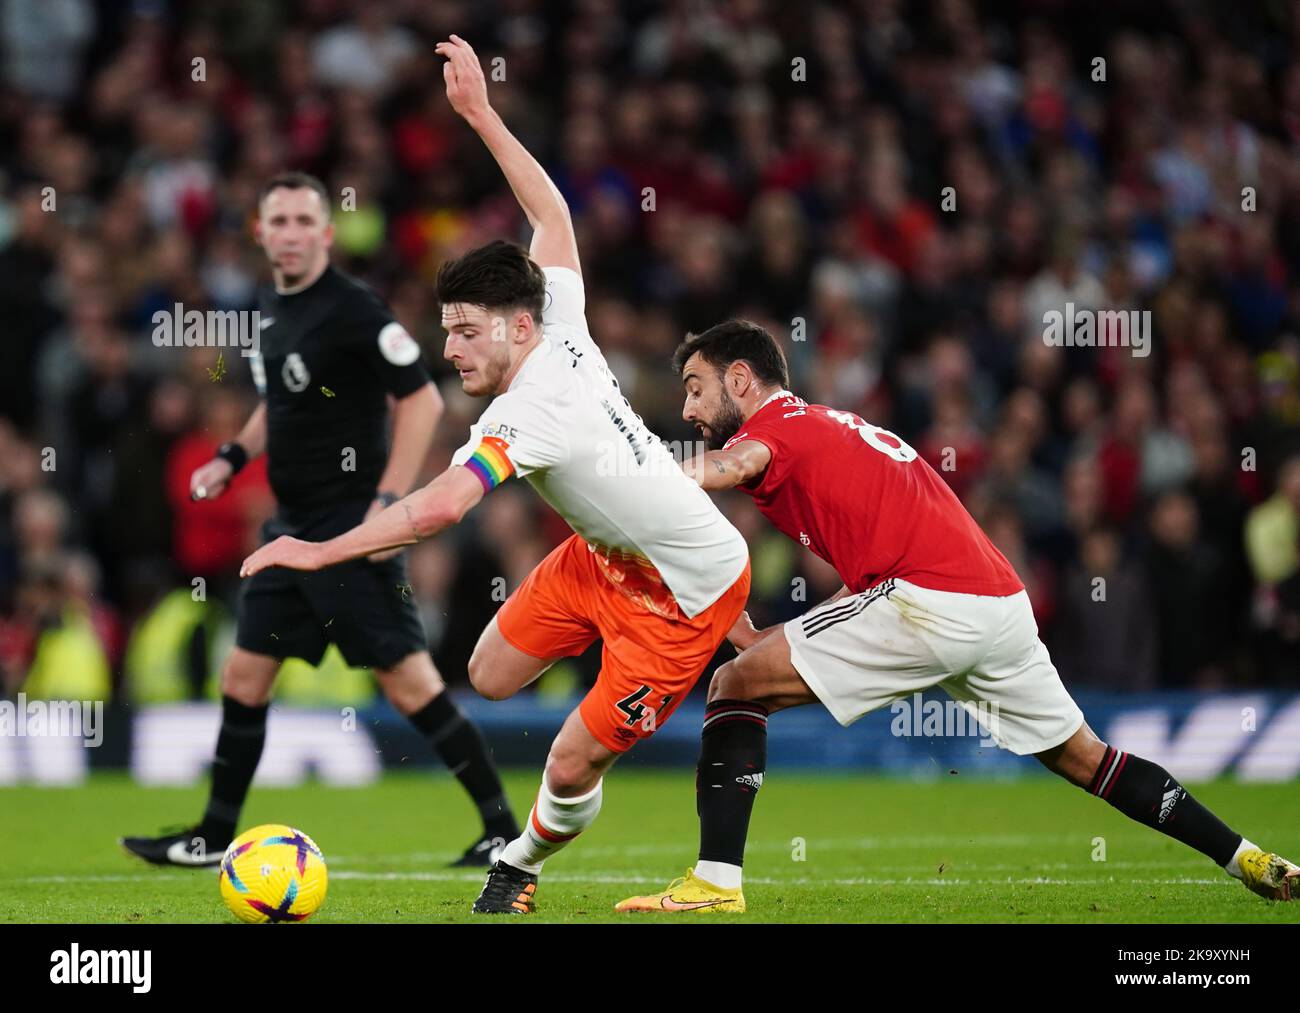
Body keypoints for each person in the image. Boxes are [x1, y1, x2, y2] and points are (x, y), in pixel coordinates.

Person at [237, 37, 751, 915]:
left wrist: (320, 553)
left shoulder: (529, 409)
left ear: (515, 328)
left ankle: (517, 864)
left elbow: (438, 506)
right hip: (607, 556)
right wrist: (479, 114)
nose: (452, 348)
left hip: (683, 592)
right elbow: (553, 215)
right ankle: (642, 665)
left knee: (567, 760)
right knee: (489, 672)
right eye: (447, 329)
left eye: (467, 330)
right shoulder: (555, 312)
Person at [615, 319, 1299, 913]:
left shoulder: (780, 425)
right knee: (1088, 758)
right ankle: (1248, 859)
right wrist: (733, 621)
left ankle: (714, 881)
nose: (687, 406)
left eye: (696, 387)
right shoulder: (828, 428)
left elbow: (735, 463)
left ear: (741, 378)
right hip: (996, 603)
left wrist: (641, 475)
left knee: (736, 686)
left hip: (928, 599)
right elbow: (785, 631)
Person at [122, 171, 519, 869]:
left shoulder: (354, 310)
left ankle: (501, 829)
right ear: (261, 232)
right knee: (244, 676)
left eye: (307, 221)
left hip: (347, 532)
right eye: (280, 221)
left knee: (410, 686)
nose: (293, 233)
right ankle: (214, 835)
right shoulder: (272, 311)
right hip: (289, 531)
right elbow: (273, 404)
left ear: (327, 235)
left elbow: (422, 399)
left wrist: (388, 499)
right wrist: (230, 455)